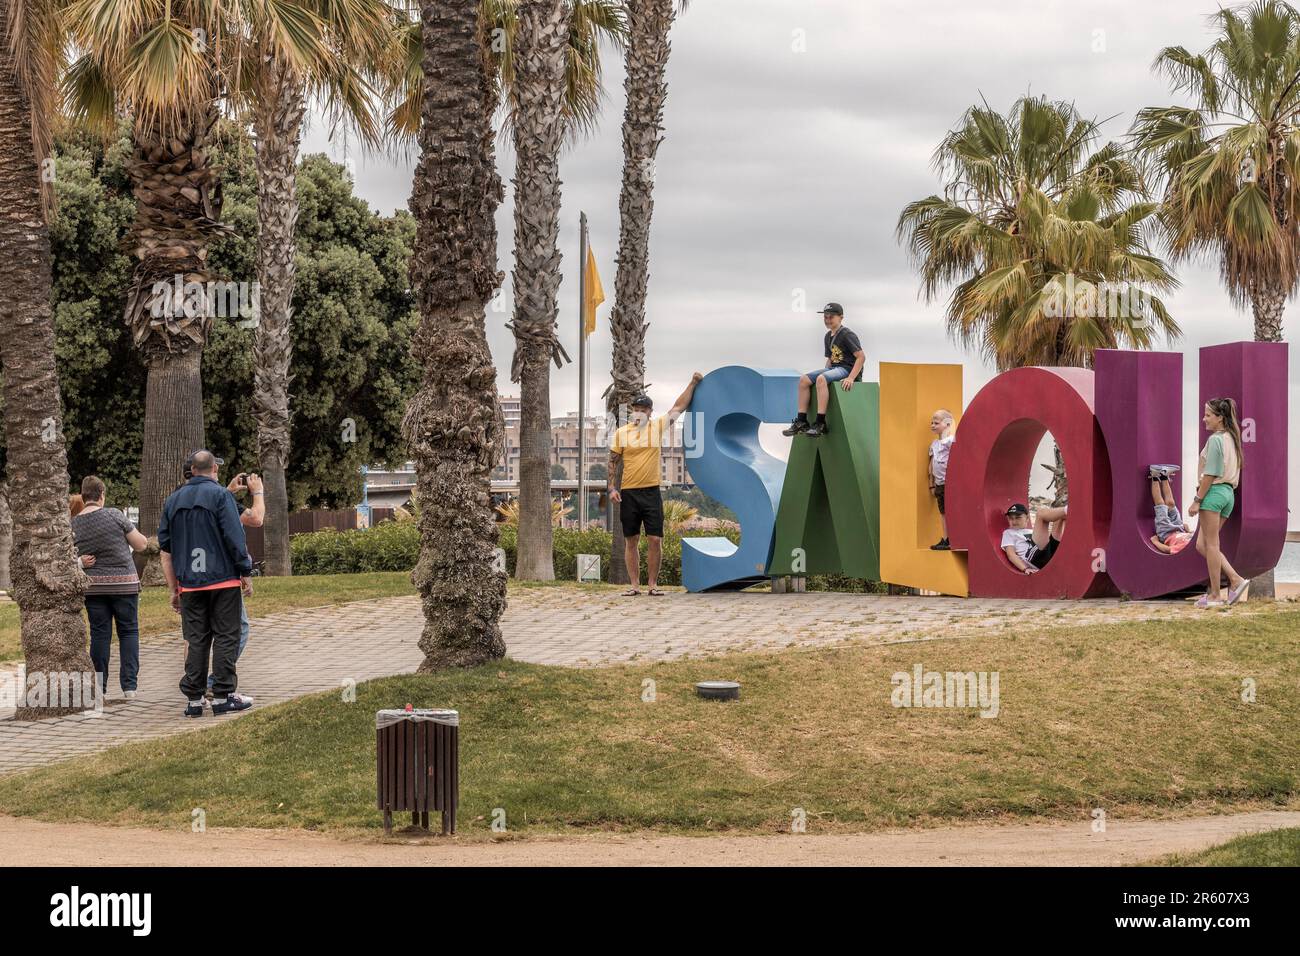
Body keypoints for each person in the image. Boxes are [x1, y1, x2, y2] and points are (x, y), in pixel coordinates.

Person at [158, 450, 254, 716]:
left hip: (189, 583)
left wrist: (175, 586)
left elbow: (165, 542)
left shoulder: (173, 501)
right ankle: (223, 696)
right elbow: (235, 537)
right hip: (221, 578)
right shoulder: (221, 496)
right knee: (225, 635)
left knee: (196, 638)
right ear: (214, 469)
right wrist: (244, 570)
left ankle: (194, 699)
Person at [608, 375, 703, 596]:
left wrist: (693, 383)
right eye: (636, 408)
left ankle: (652, 584)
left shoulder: (657, 426)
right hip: (629, 493)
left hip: (651, 491)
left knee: (655, 539)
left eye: (644, 408)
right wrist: (612, 488)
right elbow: (612, 461)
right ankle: (634, 586)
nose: (639, 411)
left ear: (650, 411)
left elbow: (678, 406)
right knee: (631, 540)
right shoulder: (622, 433)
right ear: (632, 410)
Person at [71, 476, 148, 698]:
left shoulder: (73, 523)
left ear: (83, 496)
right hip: (124, 585)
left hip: (94, 588)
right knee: (129, 631)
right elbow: (141, 544)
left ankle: (99, 689)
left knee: (100, 635)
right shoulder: (114, 515)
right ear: (101, 494)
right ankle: (129, 687)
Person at [204, 469, 264, 700]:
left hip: (193, 578)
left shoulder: (187, 500)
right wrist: (257, 492)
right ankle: (217, 682)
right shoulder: (225, 504)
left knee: (198, 633)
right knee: (237, 629)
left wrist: (228, 492)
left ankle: (195, 687)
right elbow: (256, 519)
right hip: (223, 576)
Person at [1189, 398, 1249, 608]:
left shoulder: (1216, 440)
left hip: (1213, 494)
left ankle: (1215, 595)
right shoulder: (1232, 438)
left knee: (1212, 545)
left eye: (1207, 415)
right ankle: (1235, 579)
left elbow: (1211, 473)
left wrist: (1197, 500)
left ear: (1219, 418)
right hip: (1227, 495)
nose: (1203, 418)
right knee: (1203, 545)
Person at [782, 302, 866, 438]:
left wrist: (851, 378)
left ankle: (820, 423)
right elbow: (830, 359)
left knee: (822, 379)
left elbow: (861, 357)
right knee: (804, 379)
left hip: (847, 369)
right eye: (825, 317)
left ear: (841, 318)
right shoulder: (828, 336)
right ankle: (802, 421)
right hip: (834, 368)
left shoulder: (847, 334)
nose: (827, 320)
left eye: (831, 317)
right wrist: (826, 372)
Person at [1000, 502, 1067, 574]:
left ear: (1027, 518)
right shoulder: (1009, 533)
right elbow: (1011, 554)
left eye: (1018, 517)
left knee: (1059, 519)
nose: (1014, 521)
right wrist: (1025, 568)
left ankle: (1072, 513)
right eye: (1011, 518)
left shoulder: (1031, 531)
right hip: (1033, 558)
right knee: (1041, 514)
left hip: (1047, 555)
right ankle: (1071, 509)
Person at [1147, 465, 1194, 555]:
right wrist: (1188, 530)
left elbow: (1168, 550)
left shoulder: (1184, 549)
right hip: (1179, 528)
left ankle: (1154, 475)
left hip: (1166, 532)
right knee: (1171, 503)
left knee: (1161, 505)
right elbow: (1192, 534)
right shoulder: (1196, 543)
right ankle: (1164, 476)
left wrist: (1155, 542)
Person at [927, 409, 955, 550]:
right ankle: (946, 538)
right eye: (932, 422)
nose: (932, 425)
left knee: (951, 511)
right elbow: (931, 465)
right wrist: (931, 484)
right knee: (943, 512)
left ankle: (955, 537)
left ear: (947, 423)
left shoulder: (951, 441)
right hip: (939, 484)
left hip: (951, 483)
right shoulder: (934, 444)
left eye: (936, 422)